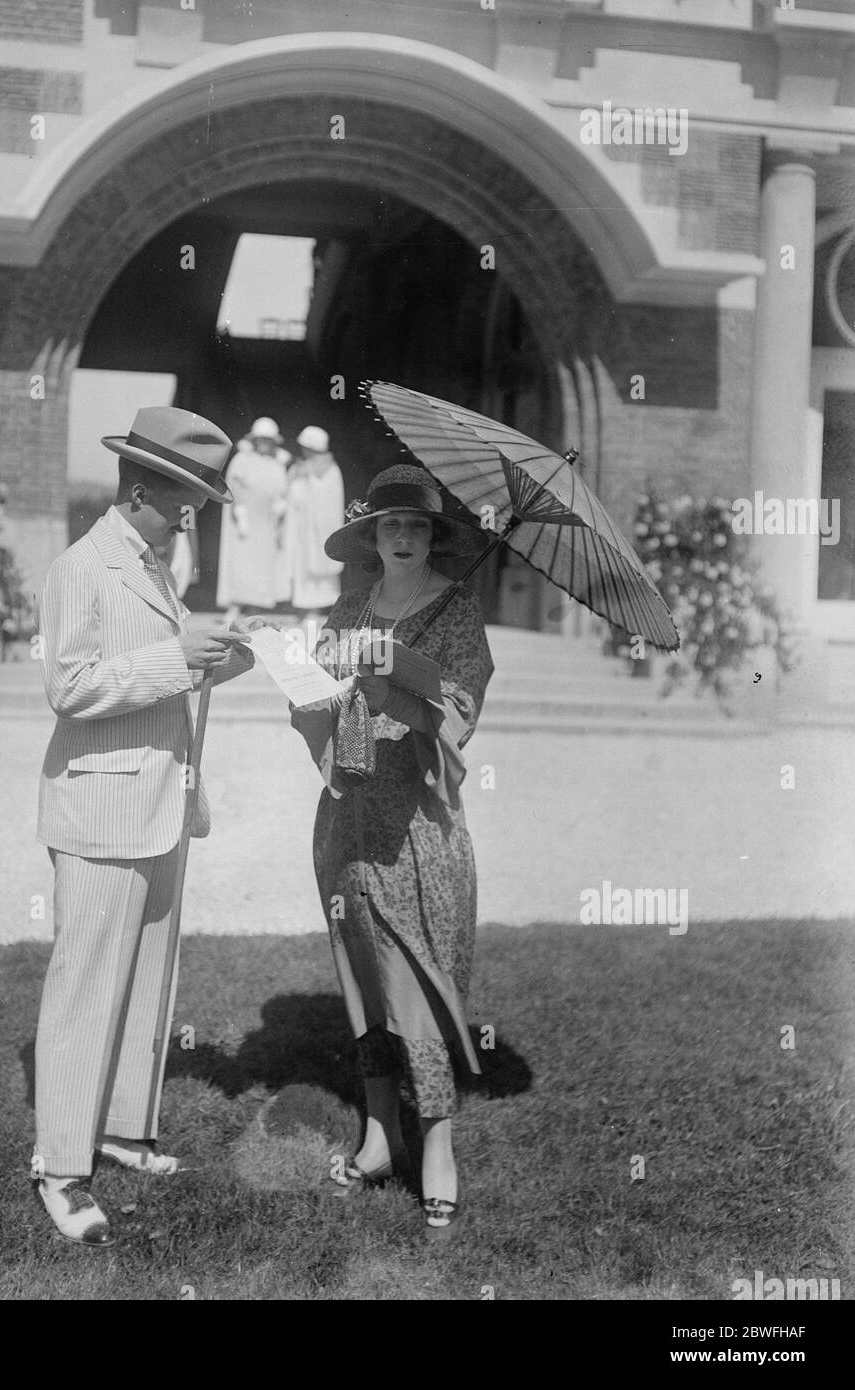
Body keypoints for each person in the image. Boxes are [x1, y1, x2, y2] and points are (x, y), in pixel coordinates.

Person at [32, 405, 262, 1247]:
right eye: (182, 501)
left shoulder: (155, 564)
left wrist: (223, 662)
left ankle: (121, 1127)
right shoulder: (80, 568)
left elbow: (163, 671)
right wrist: (178, 658)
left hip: (160, 800)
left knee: (144, 981)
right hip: (99, 806)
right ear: (137, 489)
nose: (188, 517)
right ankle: (61, 1167)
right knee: (87, 984)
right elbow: (71, 688)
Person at [291, 464, 493, 1237]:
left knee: (421, 974)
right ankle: (381, 1134)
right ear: (371, 536)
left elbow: (462, 712)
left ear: (434, 535)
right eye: (389, 525)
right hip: (347, 810)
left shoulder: (457, 610)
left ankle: (437, 1144)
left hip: (418, 819)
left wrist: (401, 695)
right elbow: (323, 702)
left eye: (416, 525)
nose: (402, 536)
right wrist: (322, 688)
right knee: (364, 976)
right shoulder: (348, 605)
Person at [215, 416, 290, 623]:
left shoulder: (277, 463)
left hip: (266, 522)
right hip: (246, 520)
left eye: (269, 440)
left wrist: (280, 505)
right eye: (261, 439)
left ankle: (254, 609)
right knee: (241, 563)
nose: (264, 444)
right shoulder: (243, 459)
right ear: (255, 440)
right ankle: (235, 607)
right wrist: (239, 513)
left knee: (262, 564)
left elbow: (282, 490)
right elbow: (235, 485)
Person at [282, 425, 345, 633]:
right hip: (300, 528)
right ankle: (302, 609)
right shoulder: (300, 466)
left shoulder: (330, 470)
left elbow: (327, 500)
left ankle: (315, 610)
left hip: (318, 529)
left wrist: (310, 484)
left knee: (318, 568)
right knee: (300, 567)